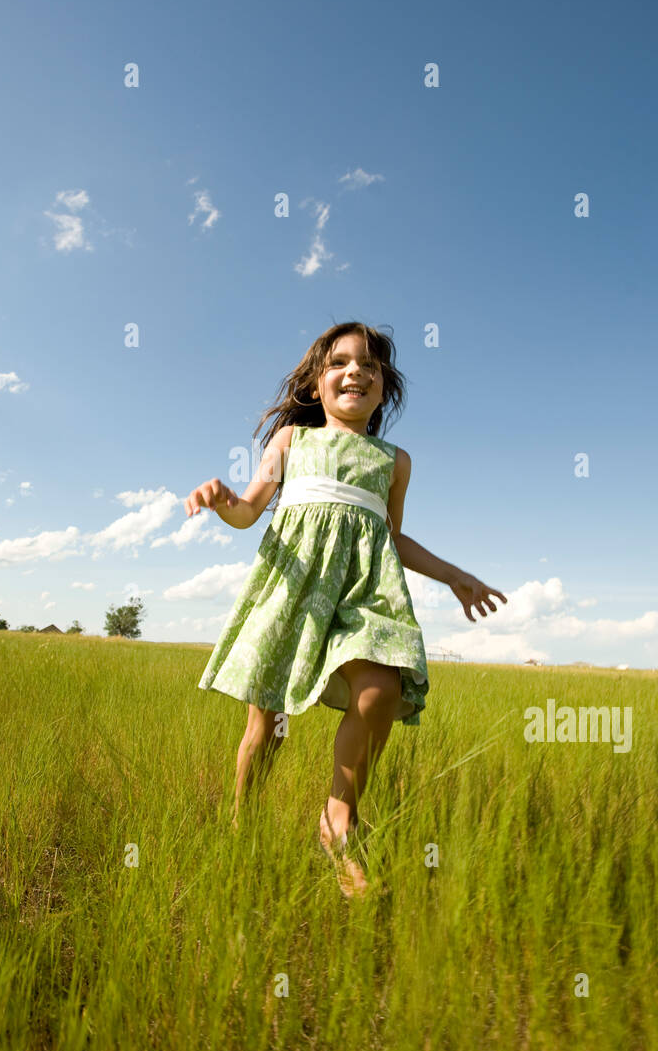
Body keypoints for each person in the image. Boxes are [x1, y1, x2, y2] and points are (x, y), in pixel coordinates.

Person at [183, 321, 506, 897]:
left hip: (365, 591)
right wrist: (221, 499)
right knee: (268, 726)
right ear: (315, 384)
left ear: (383, 389)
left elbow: (394, 538)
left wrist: (456, 576)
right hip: (295, 592)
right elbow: (250, 508)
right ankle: (242, 827)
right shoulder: (291, 444)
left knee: (381, 688)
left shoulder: (394, 461)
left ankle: (338, 825)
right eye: (339, 362)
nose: (355, 370)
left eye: (369, 366)